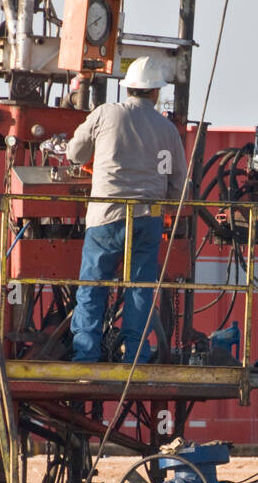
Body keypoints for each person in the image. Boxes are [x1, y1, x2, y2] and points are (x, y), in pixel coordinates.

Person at [66, 57, 188, 363]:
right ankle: (135, 356)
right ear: (156, 93)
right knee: (139, 289)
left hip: (106, 218)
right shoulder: (167, 130)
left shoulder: (106, 114)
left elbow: (75, 153)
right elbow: (178, 184)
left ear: (128, 88)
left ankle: (85, 356)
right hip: (148, 218)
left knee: (93, 288)